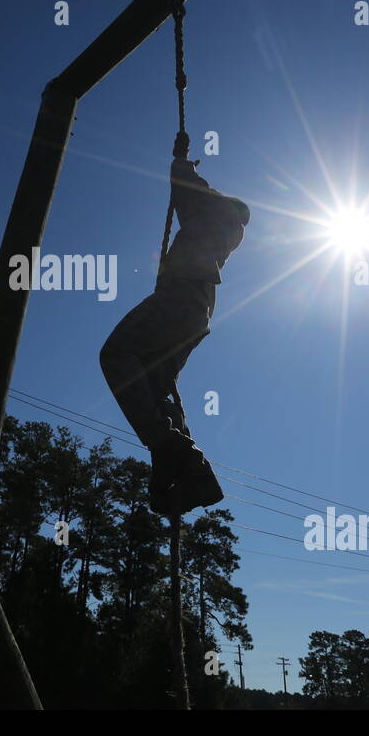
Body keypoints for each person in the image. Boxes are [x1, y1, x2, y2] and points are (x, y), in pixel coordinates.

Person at [101, 146, 250, 515]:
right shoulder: (222, 233)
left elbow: (187, 188)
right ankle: (179, 464)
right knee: (157, 385)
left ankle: (172, 452)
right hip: (194, 310)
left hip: (180, 299)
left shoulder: (215, 214)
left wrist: (182, 163)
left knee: (118, 353)